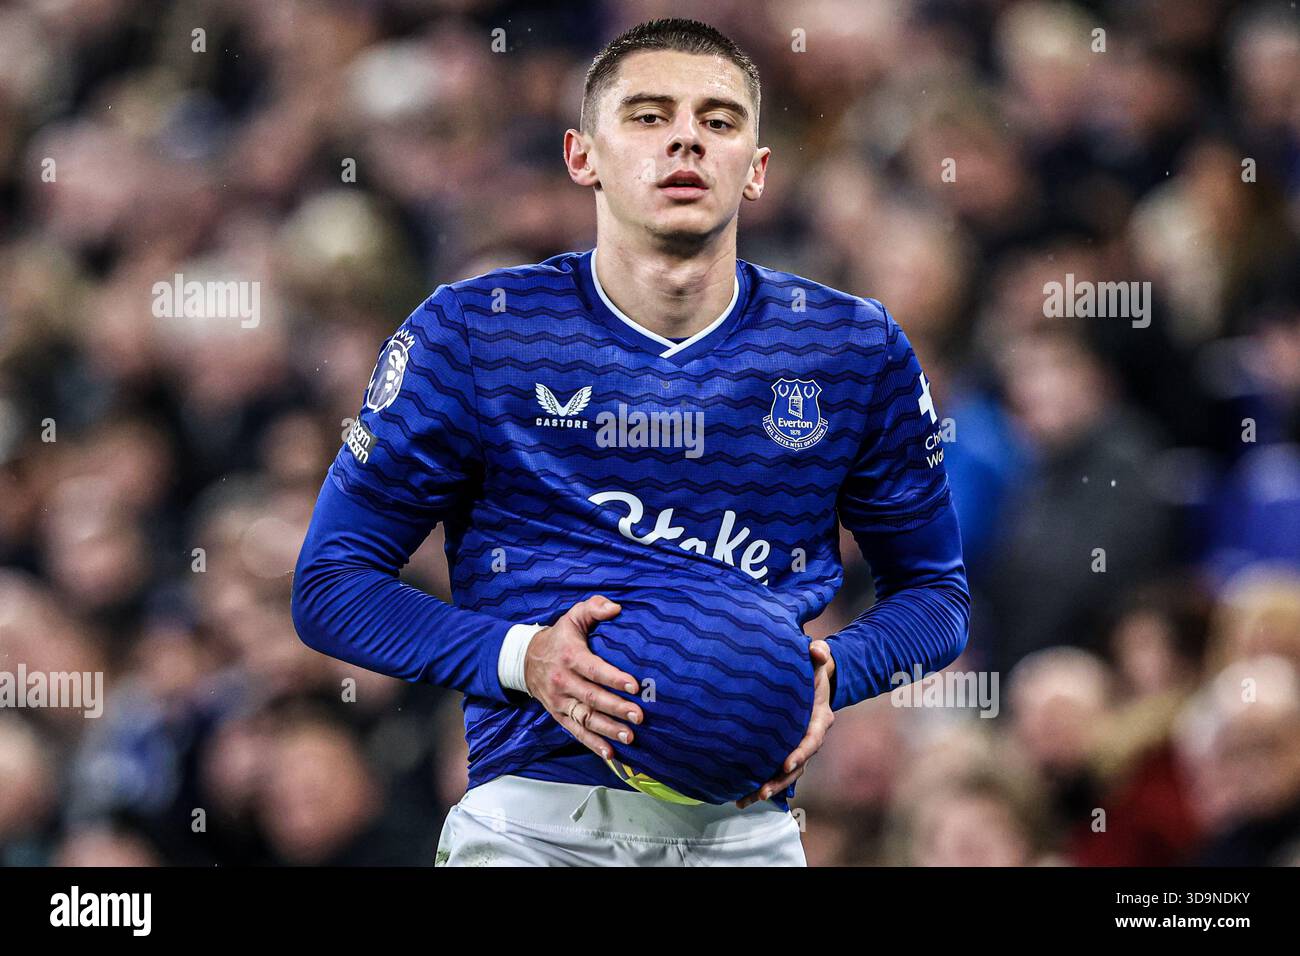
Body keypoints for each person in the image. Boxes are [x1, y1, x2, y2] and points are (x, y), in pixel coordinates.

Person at [291, 17, 970, 866]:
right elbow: (329, 585)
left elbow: (938, 595)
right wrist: (522, 657)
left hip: (745, 829)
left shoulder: (850, 348)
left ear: (757, 170)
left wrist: (837, 670)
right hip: (535, 822)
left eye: (719, 121)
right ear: (583, 157)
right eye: (648, 116)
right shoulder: (474, 333)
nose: (687, 136)